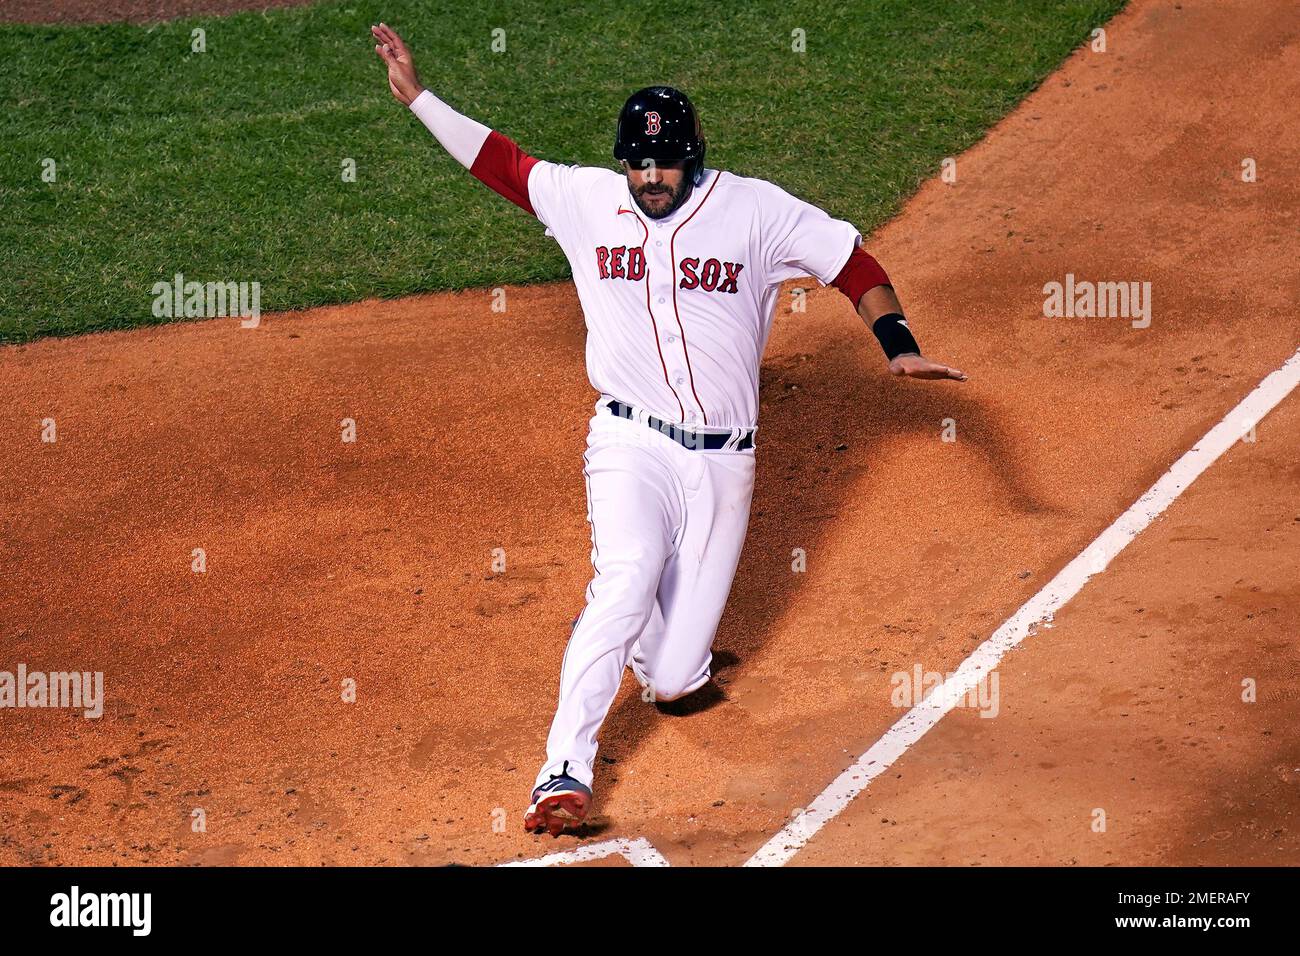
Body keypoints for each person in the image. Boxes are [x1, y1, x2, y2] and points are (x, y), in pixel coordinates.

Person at [372, 22, 967, 837]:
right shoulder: (586, 200)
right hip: (630, 444)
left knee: (677, 676)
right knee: (624, 578)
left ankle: (666, 657)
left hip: (726, 463)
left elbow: (852, 263)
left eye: (666, 163)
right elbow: (503, 164)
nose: (651, 178)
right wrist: (419, 99)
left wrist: (899, 347)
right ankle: (562, 770)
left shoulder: (755, 211)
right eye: (639, 163)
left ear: (694, 156)